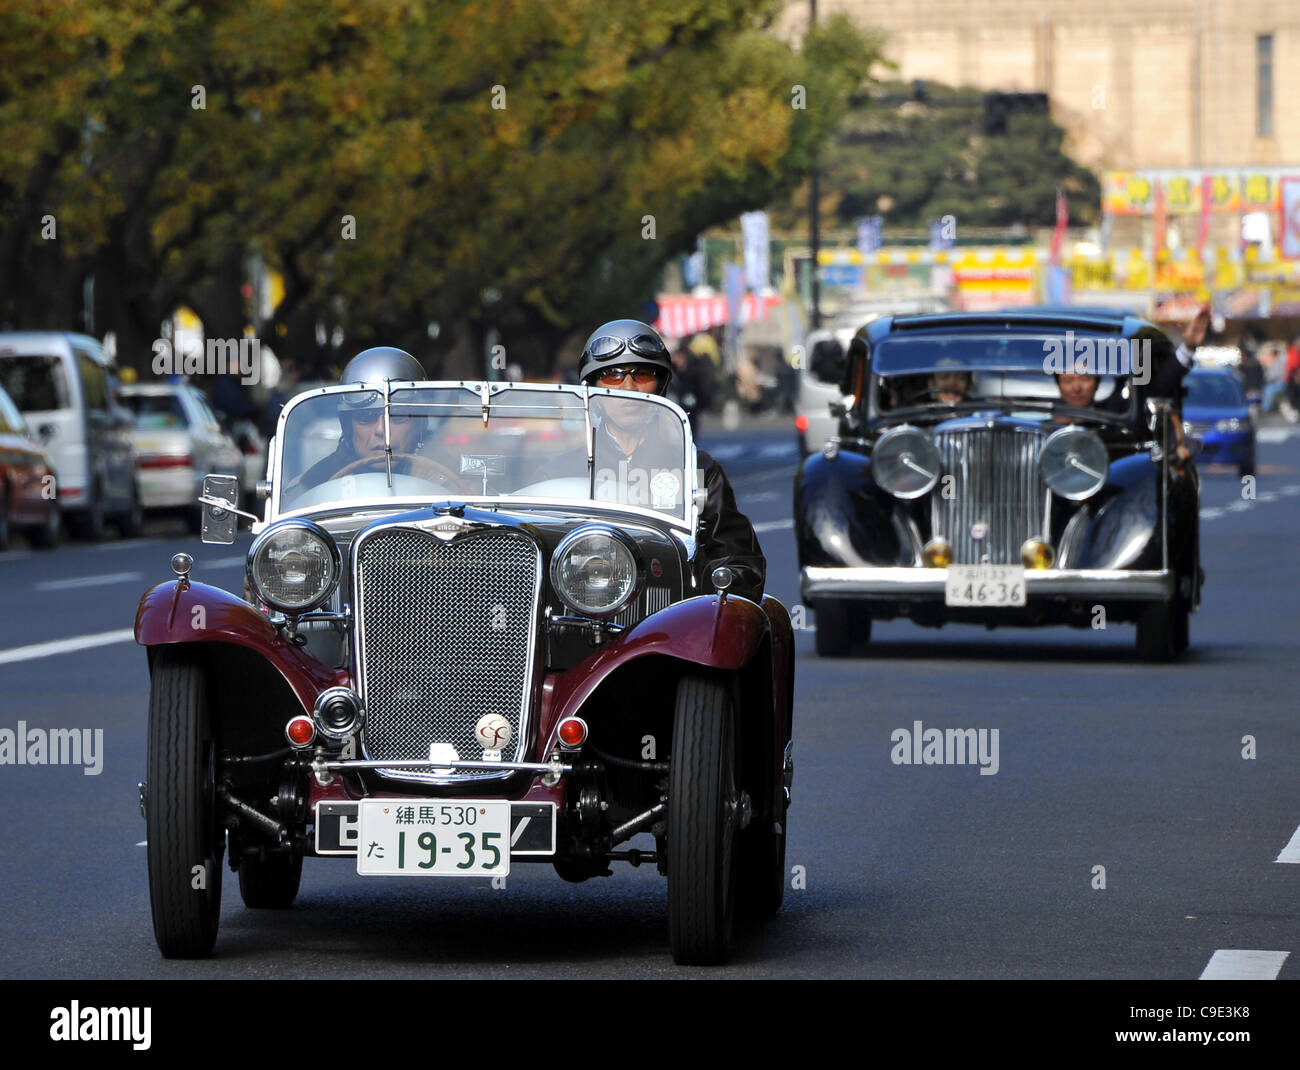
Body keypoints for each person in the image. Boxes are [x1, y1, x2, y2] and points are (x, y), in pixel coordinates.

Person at [569, 319, 766, 602]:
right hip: (581, 613)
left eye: (642, 374)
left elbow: (738, 559)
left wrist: (718, 587)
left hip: (672, 619)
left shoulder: (696, 468)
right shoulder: (563, 467)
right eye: (613, 375)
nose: (628, 387)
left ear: (660, 384)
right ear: (593, 387)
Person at [282, 347, 429, 503]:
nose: (381, 430)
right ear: (348, 427)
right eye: (365, 417)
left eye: (398, 417)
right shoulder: (310, 485)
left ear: (418, 424)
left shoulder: (446, 476)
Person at [1054, 304, 1211, 415]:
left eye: (1084, 378)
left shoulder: (1116, 412)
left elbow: (1156, 388)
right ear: (1058, 385)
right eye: (1068, 380)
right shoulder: (1041, 423)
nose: (1076, 387)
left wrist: (1188, 348)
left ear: (1097, 382)